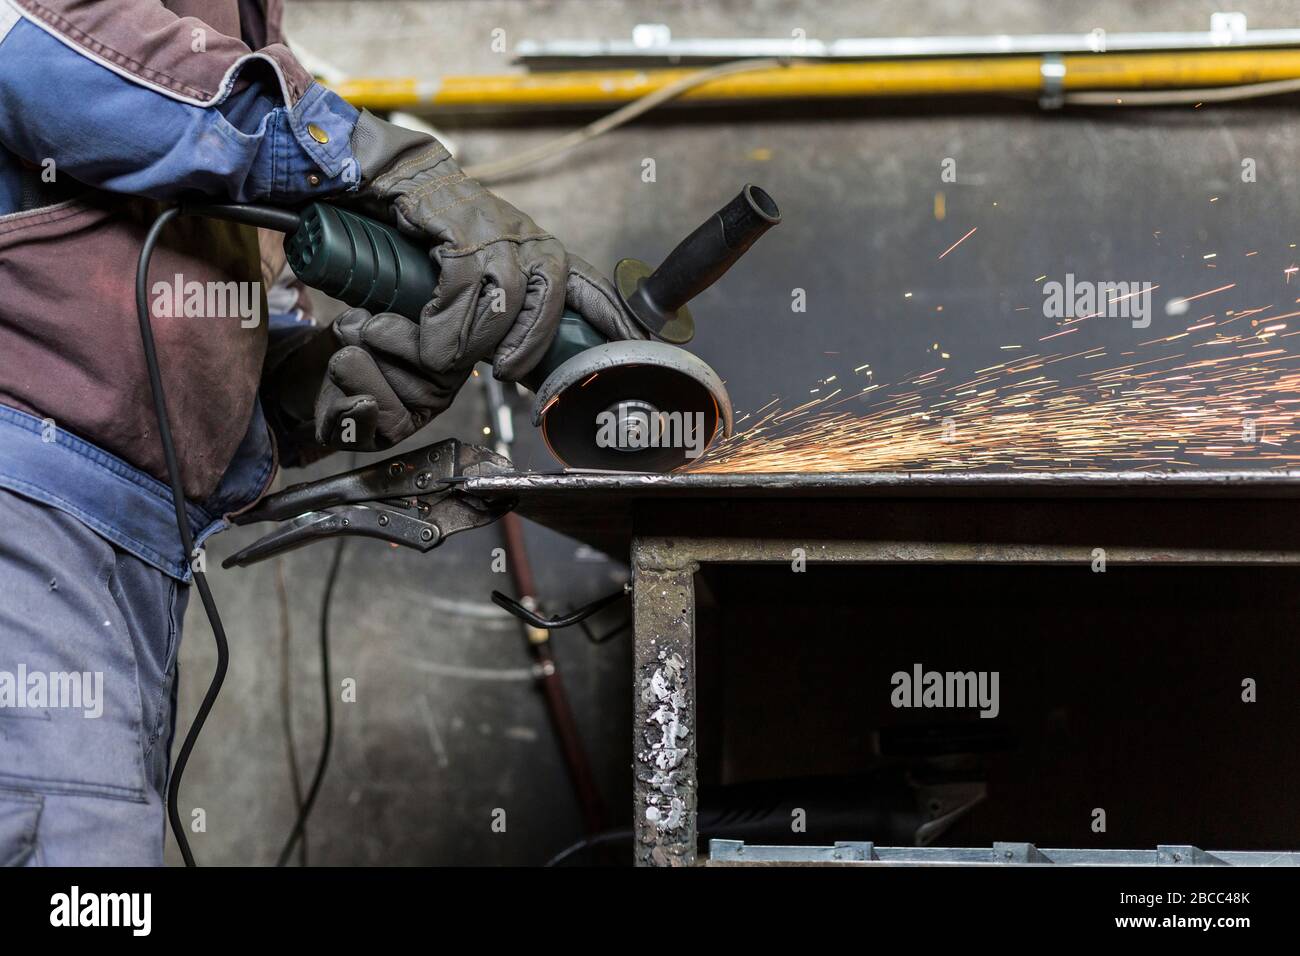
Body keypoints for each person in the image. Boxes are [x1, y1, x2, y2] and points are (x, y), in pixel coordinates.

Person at [0, 0, 638, 865]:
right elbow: (32, 47)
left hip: (125, 548)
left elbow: (164, 309)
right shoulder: (220, 68)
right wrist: (367, 155)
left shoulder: (244, 31)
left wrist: (309, 388)